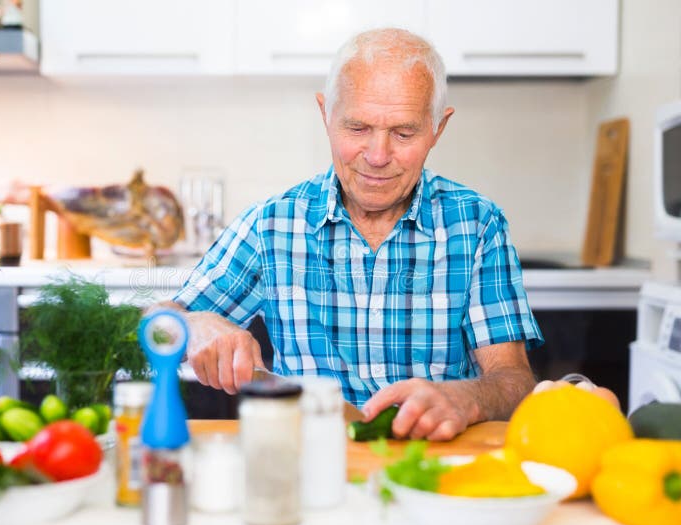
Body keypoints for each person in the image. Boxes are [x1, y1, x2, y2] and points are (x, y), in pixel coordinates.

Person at [154, 28, 543, 441]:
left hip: (434, 470)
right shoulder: (272, 226)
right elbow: (154, 322)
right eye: (357, 128)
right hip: (309, 466)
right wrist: (193, 325)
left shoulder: (477, 224)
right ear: (326, 115)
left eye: (403, 133)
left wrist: (469, 398)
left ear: (437, 129)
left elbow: (515, 381)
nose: (377, 157)